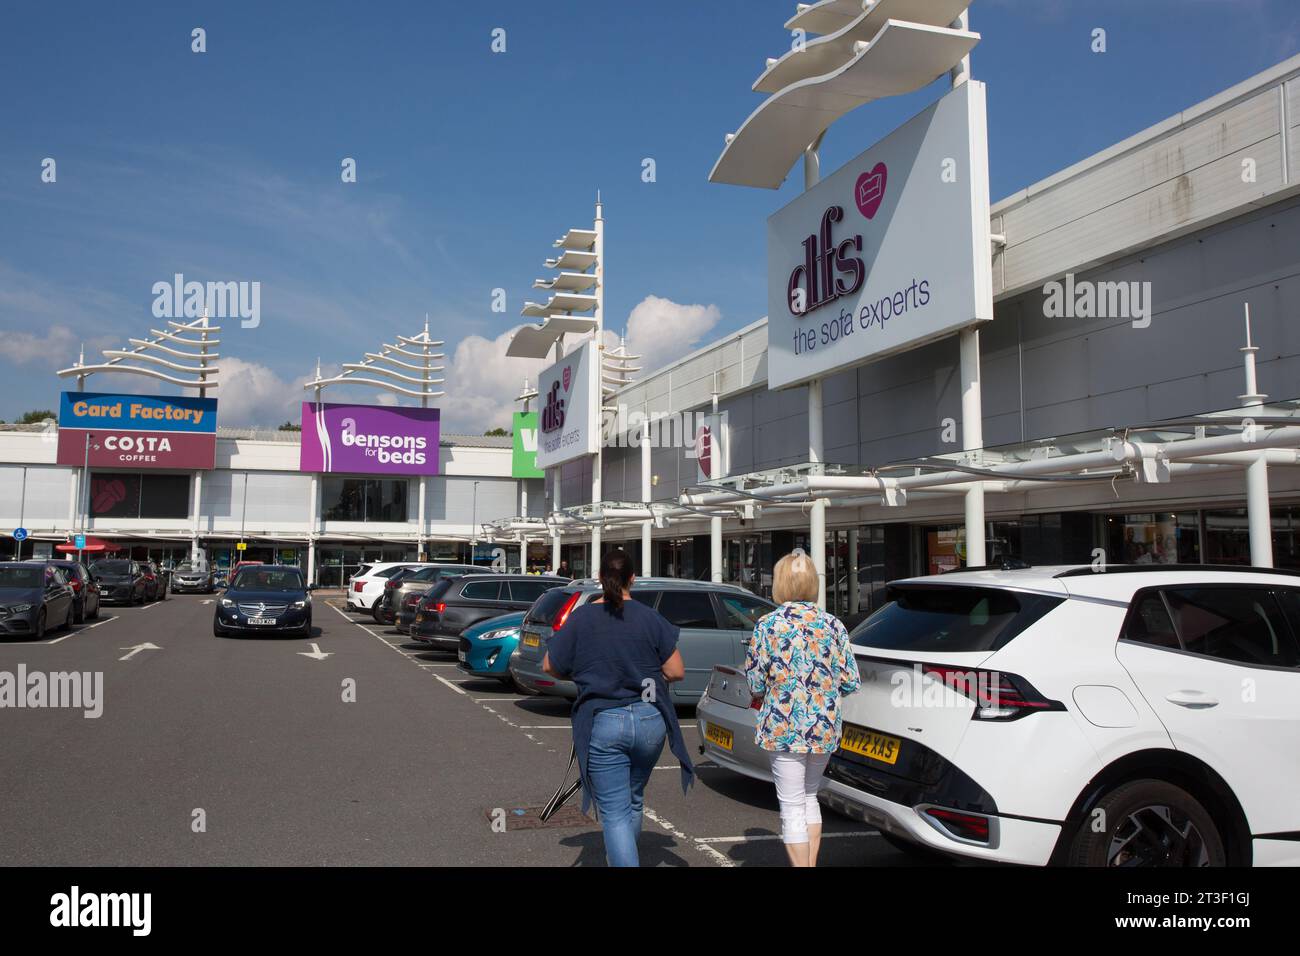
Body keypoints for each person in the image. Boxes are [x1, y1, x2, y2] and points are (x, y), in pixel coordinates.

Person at [542, 549, 694, 866]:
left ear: (600, 578)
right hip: (651, 719)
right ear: (633, 579)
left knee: (613, 812)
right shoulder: (649, 617)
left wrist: (583, 673)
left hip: (605, 720)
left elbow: (549, 666)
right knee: (633, 800)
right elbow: (677, 671)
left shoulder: (582, 618)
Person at [745, 549, 860, 867]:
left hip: (783, 725)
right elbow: (850, 681)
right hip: (824, 725)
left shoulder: (767, 626)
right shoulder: (834, 625)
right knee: (810, 798)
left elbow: (755, 682)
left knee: (792, 804)